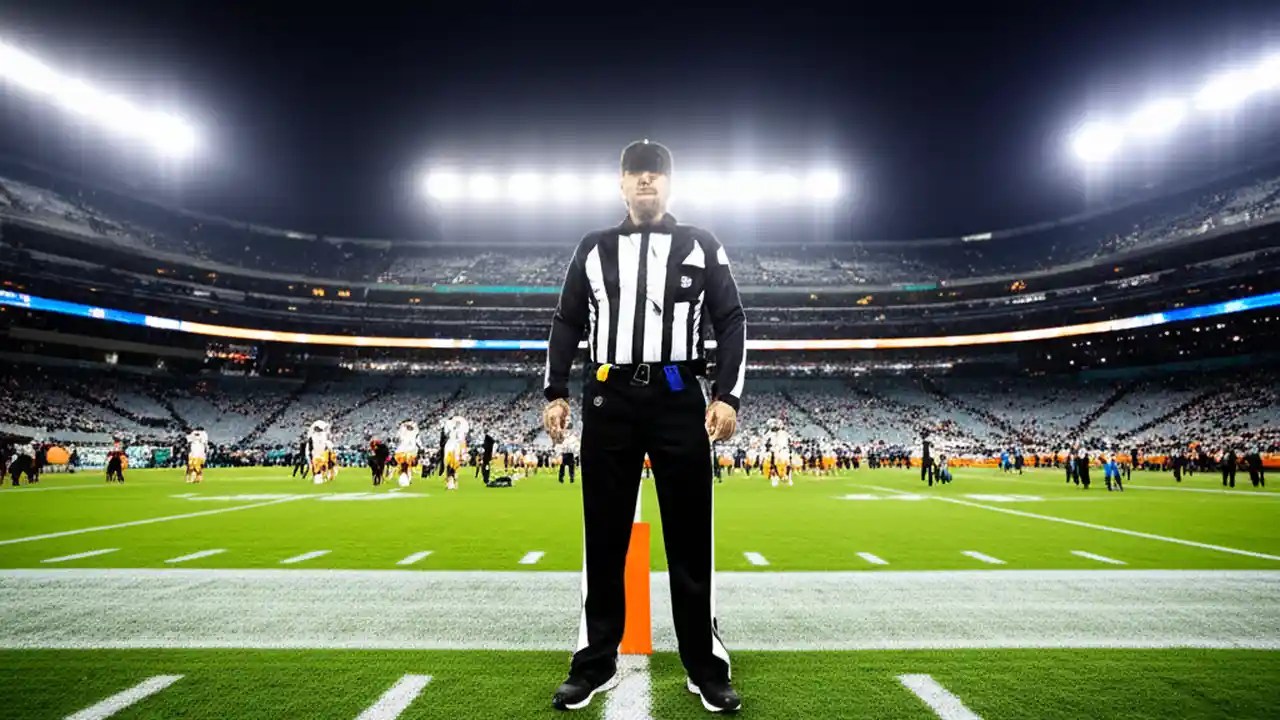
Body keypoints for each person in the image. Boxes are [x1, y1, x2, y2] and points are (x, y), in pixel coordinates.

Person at [542, 140, 745, 713]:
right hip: (608, 395)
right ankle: (594, 661)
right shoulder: (593, 246)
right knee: (603, 531)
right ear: (621, 184)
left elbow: (731, 320)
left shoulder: (701, 244)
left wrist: (727, 395)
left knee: (690, 535)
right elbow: (566, 321)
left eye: (656, 174)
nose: (646, 182)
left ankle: (704, 665)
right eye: (637, 174)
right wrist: (555, 390)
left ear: (669, 185)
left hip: (680, 393)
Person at [394, 420, 421, 487]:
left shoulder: (413, 430)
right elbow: (397, 437)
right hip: (403, 451)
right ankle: (405, 479)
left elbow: (413, 428)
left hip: (410, 451)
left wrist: (404, 424)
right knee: (404, 466)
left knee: (408, 467)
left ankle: (407, 479)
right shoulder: (403, 430)